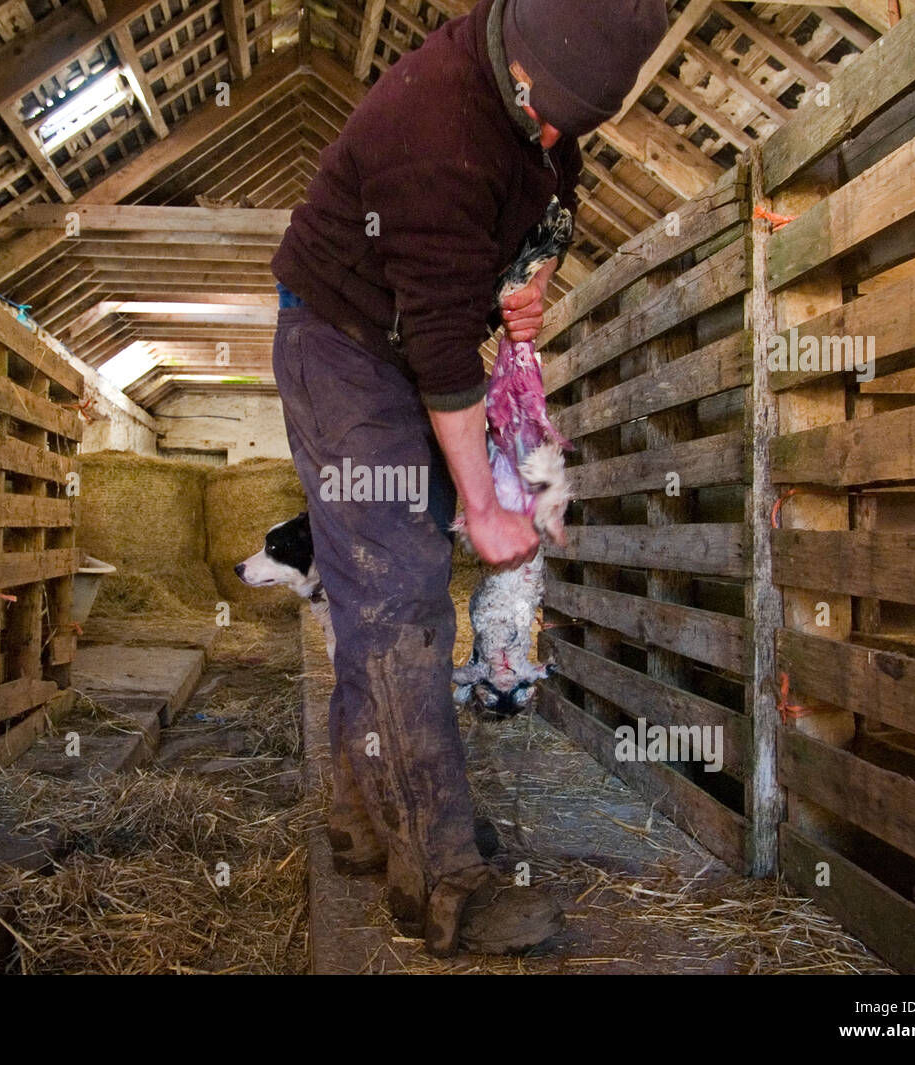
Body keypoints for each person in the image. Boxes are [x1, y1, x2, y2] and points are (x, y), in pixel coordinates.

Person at [271, 0, 667, 956]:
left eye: (568, 128)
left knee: (383, 593)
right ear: (518, 63)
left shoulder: (544, 114)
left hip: (410, 344)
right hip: (342, 345)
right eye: (542, 114)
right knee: (401, 593)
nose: (551, 136)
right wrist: (485, 509)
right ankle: (445, 881)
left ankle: (362, 815)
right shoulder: (432, 122)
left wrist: (526, 284)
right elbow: (447, 343)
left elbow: (536, 214)